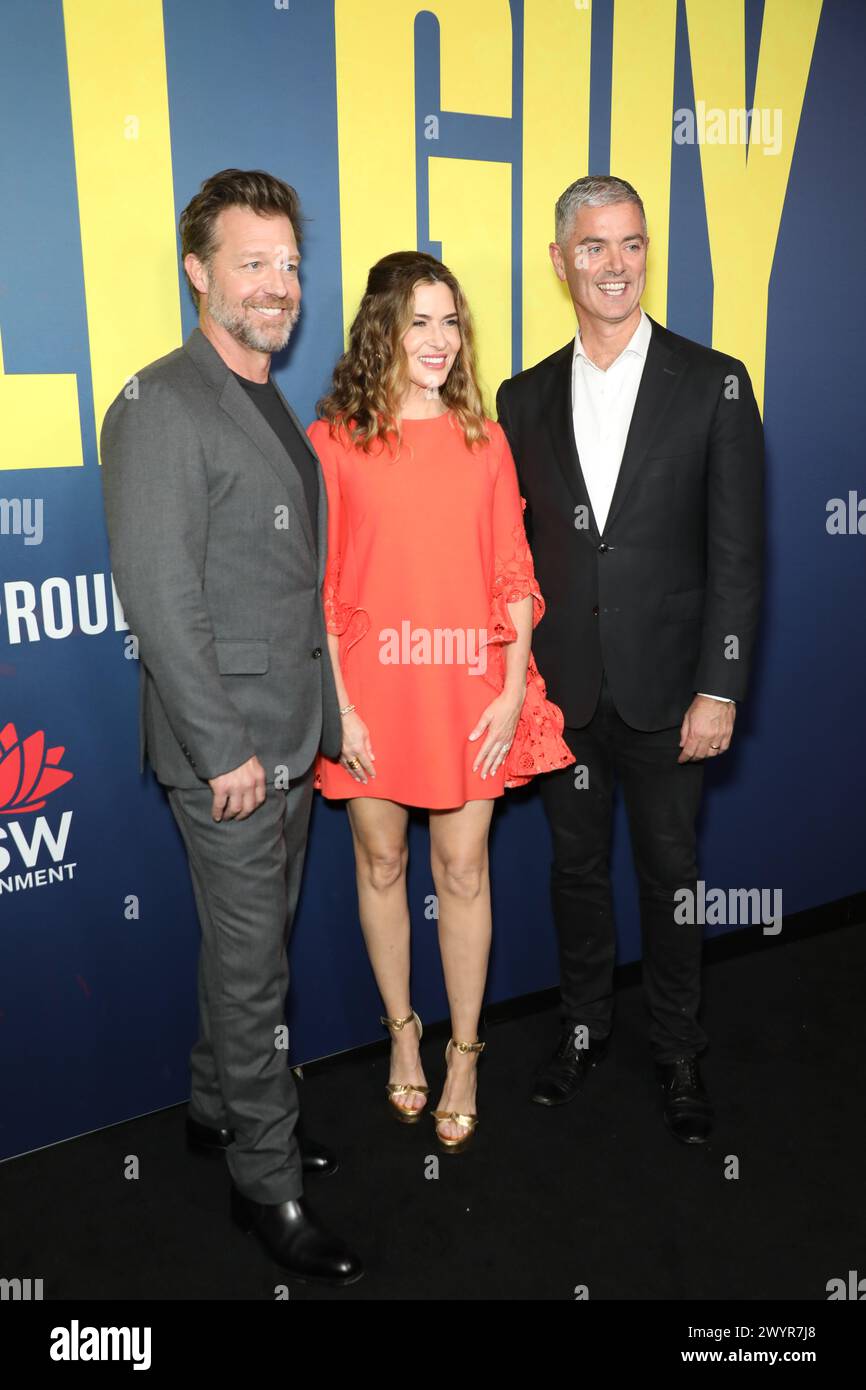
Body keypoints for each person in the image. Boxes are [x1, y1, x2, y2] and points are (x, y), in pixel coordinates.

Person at [100, 168, 362, 1283]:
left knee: (247, 950)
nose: (279, 284)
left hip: (288, 736)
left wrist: (321, 722)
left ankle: (217, 1106)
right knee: (258, 973)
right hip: (233, 757)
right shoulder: (159, 401)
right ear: (198, 271)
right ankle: (267, 1182)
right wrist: (229, 754)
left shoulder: (262, 400)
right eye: (252, 262)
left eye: (291, 263)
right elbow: (161, 603)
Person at [496, 175, 764, 1143]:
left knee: (668, 871)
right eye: (595, 246)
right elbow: (510, 555)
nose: (615, 264)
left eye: (632, 244)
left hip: (669, 693)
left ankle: (677, 1048)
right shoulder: (519, 397)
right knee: (573, 869)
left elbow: (736, 552)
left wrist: (719, 684)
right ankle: (579, 1024)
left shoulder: (714, 382)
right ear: (559, 259)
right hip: (564, 693)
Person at [309, 251, 574, 1153]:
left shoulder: (484, 439)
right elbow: (323, 585)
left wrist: (509, 692)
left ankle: (465, 1050)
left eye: (450, 321)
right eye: (419, 320)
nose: (438, 340)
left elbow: (513, 573)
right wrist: (340, 710)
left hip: (469, 687)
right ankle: (402, 1036)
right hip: (370, 695)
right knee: (382, 865)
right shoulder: (333, 440)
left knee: (463, 872)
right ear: (382, 326)